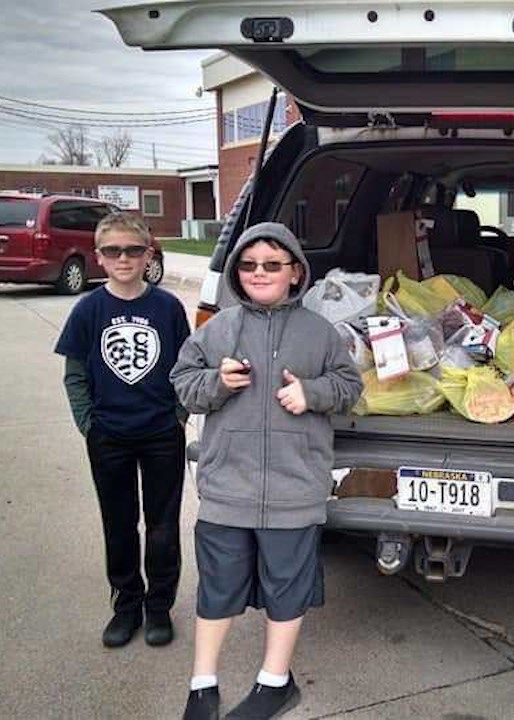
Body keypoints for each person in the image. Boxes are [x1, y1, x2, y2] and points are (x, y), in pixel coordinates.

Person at [171, 222, 363, 720]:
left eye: (272, 264)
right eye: (249, 264)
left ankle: (274, 682)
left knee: (286, 586)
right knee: (218, 585)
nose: (259, 273)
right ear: (237, 272)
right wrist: (217, 382)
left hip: (293, 490)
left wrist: (311, 394)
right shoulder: (218, 329)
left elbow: (349, 387)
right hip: (226, 488)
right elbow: (183, 383)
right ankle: (202, 684)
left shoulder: (321, 334)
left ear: (295, 272)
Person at [54, 212, 190, 648]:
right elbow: (75, 375)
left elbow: (187, 368)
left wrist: (179, 415)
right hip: (108, 435)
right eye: (113, 251)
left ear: (148, 253)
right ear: (99, 257)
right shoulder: (88, 310)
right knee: (118, 523)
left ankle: (158, 607)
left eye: (133, 249)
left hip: (160, 434)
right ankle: (126, 604)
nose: (123, 258)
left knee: (163, 524)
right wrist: (87, 423)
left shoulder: (167, 308)